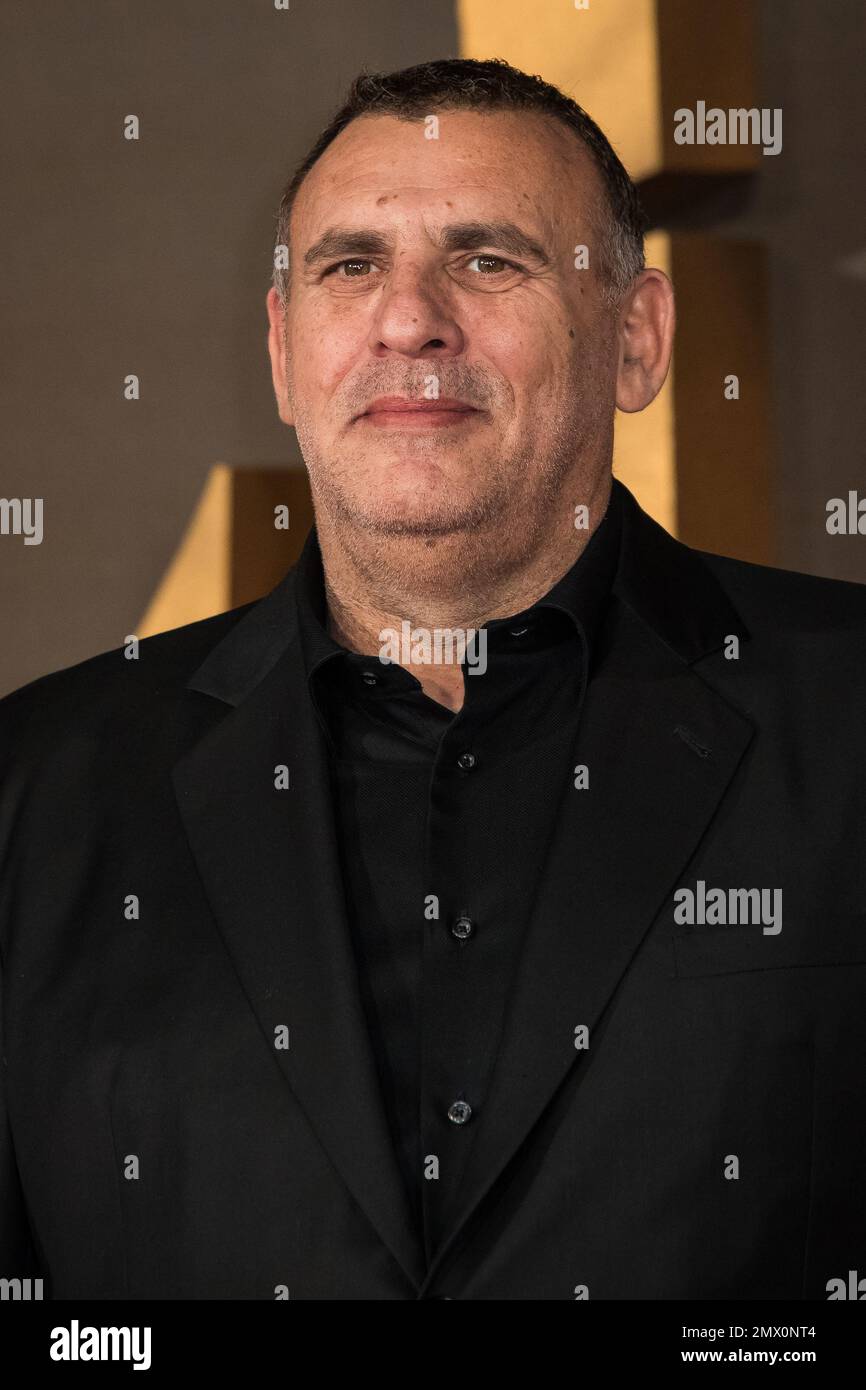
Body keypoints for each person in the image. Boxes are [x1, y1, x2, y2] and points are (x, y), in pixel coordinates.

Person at [1, 57, 864, 1301]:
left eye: (487, 259)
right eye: (350, 266)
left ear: (635, 339)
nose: (409, 320)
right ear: (284, 350)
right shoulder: (37, 793)